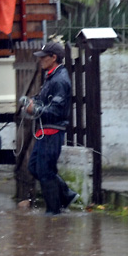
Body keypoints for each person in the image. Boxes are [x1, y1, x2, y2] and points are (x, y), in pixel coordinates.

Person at [24, 42, 80, 215]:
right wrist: (33, 102)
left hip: (52, 131)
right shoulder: (51, 76)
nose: (40, 60)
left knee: (45, 171)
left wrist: (35, 109)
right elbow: (46, 100)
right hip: (45, 131)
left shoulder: (60, 80)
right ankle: (66, 195)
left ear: (53, 57)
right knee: (34, 167)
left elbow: (57, 110)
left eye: (43, 57)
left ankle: (53, 211)